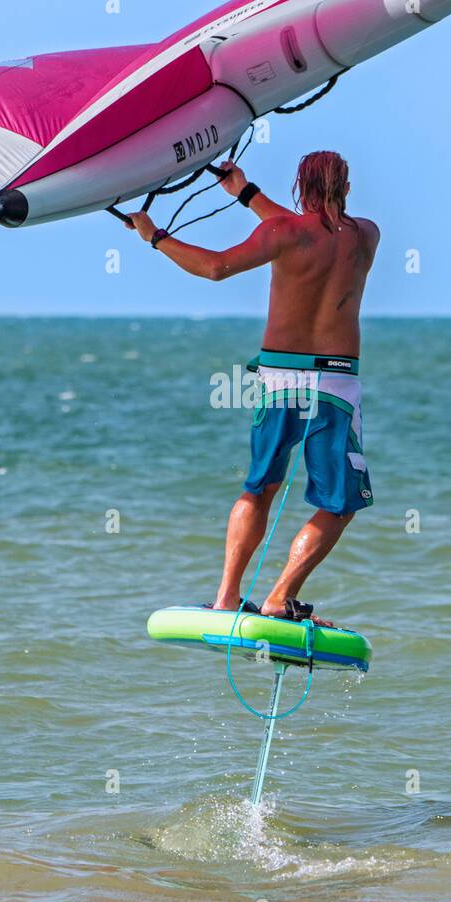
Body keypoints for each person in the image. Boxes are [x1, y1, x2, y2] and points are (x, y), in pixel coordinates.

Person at [124, 149, 379, 625]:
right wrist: (244, 193)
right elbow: (314, 228)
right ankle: (281, 596)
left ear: (299, 189)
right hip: (336, 382)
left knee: (260, 486)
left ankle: (225, 596)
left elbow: (216, 267)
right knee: (340, 503)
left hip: (280, 380)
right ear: (347, 188)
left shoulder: (284, 234)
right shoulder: (367, 236)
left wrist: (154, 236)